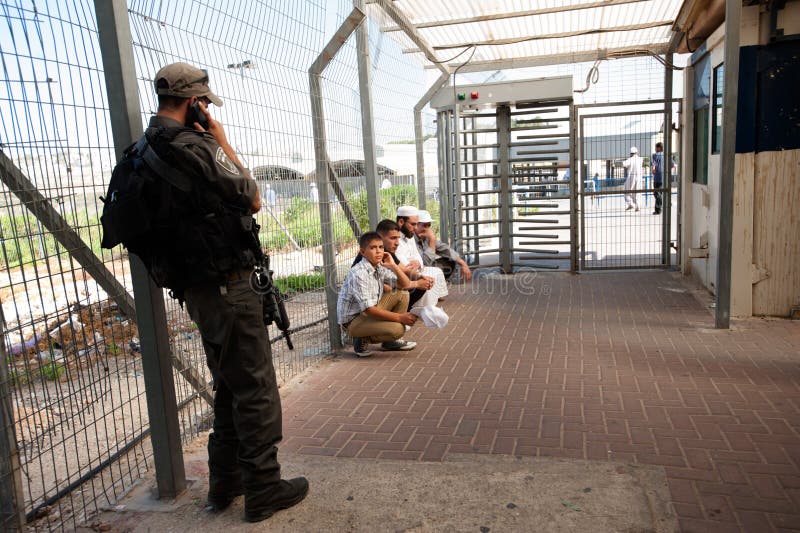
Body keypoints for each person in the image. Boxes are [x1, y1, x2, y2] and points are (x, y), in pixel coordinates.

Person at [145, 62, 307, 522]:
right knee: (254, 387)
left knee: (228, 383)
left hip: (194, 288)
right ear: (195, 103)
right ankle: (263, 488)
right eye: (204, 103)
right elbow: (252, 197)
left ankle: (224, 482)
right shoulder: (197, 145)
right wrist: (219, 138)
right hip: (229, 284)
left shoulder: (142, 151)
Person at [338, 231, 418, 357]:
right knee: (398, 329)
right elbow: (369, 310)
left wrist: (393, 265)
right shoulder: (359, 273)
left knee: (402, 293)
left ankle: (390, 343)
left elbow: (405, 284)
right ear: (362, 252)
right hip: (353, 322)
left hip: (367, 313)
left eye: (381, 247)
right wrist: (400, 318)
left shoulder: (378, 267)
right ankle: (361, 338)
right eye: (373, 248)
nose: (378, 251)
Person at [352, 219, 435, 310]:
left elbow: (404, 270)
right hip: (364, 305)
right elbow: (374, 284)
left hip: (376, 297)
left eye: (398, 238)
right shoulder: (370, 255)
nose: (397, 243)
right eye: (393, 238)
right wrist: (416, 283)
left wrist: (420, 277)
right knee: (401, 290)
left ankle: (403, 313)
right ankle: (399, 316)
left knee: (413, 286)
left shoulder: (387, 252)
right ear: (379, 238)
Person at [395, 206, 448, 300]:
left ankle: (432, 301)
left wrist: (418, 263)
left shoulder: (409, 234)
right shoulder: (395, 237)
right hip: (403, 273)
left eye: (416, 224)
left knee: (437, 271)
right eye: (413, 224)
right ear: (401, 222)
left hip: (416, 268)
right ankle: (419, 306)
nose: (415, 228)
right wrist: (412, 265)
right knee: (425, 278)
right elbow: (401, 263)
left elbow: (418, 256)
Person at [415, 210, 472, 282]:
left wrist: (463, 263)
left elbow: (445, 249)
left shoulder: (425, 237)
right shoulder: (412, 239)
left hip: (425, 267)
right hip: (416, 271)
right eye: (424, 225)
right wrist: (432, 240)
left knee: (450, 261)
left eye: (429, 226)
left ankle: (435, 282)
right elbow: (426, 263)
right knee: (435, 269)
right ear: (416, 225)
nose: (427, 229)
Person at [622, 146, 643, 212]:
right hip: (639, 177)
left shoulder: (630, 159)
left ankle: (630, 204)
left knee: (626, 190)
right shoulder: (640, 159)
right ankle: (638, 206)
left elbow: (623, 164)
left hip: (631, 177)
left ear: (631, 153)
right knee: (638, 191)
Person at [650, 142, 664, 215]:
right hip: (665, 177)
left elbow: (653, 166)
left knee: (657, 193)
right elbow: (673, 165)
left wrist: (653, 171)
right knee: (661, 192)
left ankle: (658, 209)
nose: (655, 149)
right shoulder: (666, 155)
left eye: (656, 147)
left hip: (657, 177)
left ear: (658, 148)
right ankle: (662, 205)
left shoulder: (654, 155)